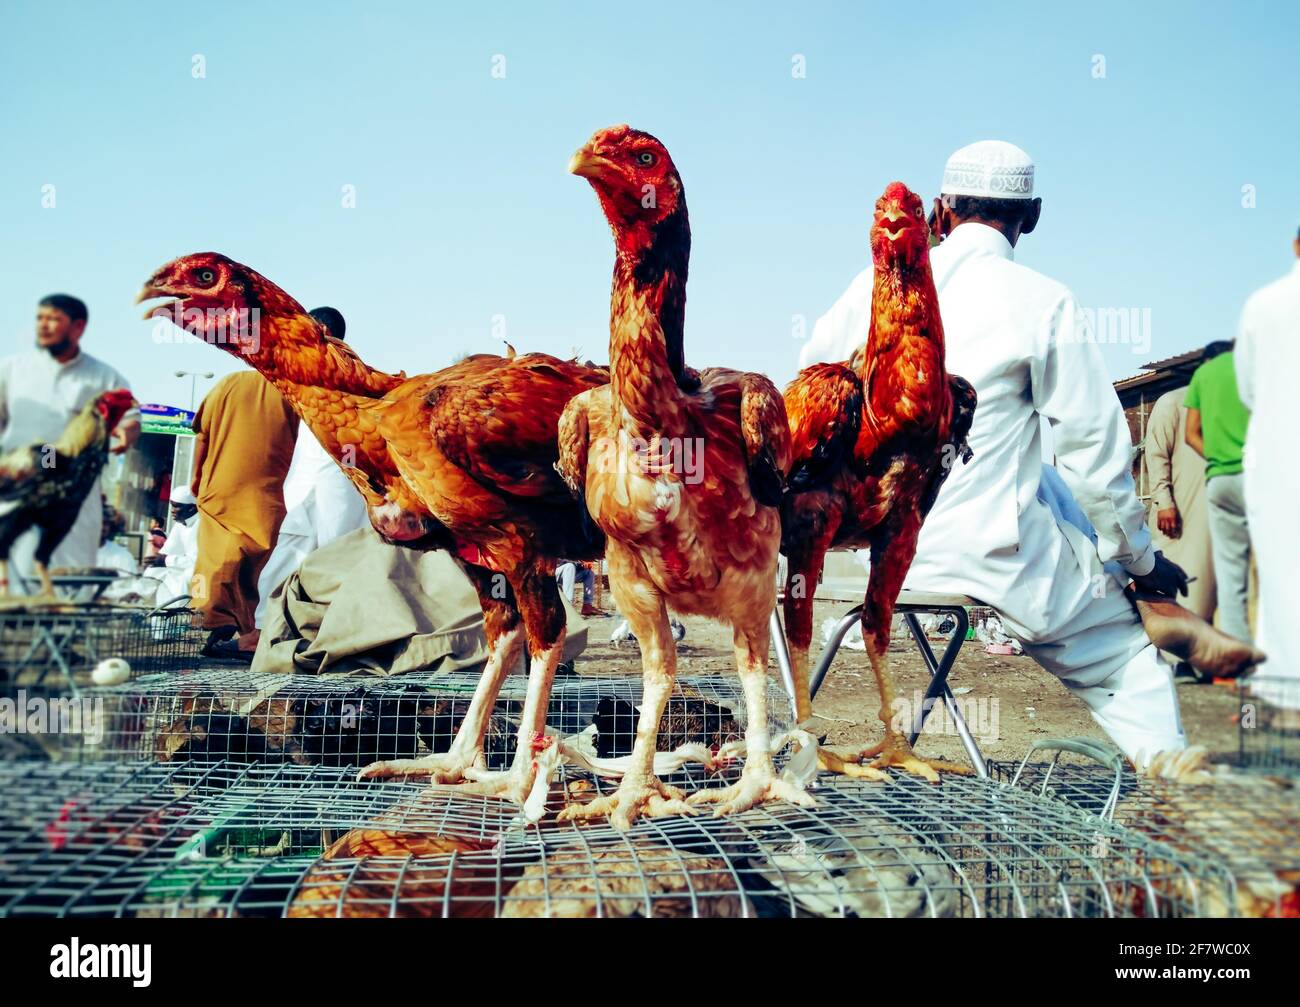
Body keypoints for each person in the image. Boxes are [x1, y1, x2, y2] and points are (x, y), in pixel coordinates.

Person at [801, 141, 1257, 765]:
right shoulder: (1041, 300)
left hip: (864, 551)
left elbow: (810, 396)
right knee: (1124, 656)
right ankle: (1167, 752)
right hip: (988, 558)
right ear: (1032, 216)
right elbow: (1095, 454)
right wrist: (1141, 559)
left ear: (940, 210)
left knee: (1043, 476)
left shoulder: (867, 288)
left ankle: (1139, 583)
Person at [0, 294, 139, 592]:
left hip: (71, 477)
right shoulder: (12, 368)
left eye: (53, 319)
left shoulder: (103, 376)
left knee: (67, 551)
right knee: (15, 543)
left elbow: (130, 415)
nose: (43, 326)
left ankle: (56, 612)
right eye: (40, 318)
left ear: (78, 327)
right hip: (24, 472)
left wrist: (127, 432)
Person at [250, 307, 369, 650]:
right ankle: (273, 630)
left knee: (330, 553)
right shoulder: (304, 368)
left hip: (333, 478)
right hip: (315, 481)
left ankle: (278, 634)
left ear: (322, 330)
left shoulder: (340, 371)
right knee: (304, 552)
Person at [1234, 225, 1300, 721]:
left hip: (1280, 456)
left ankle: (1286, 694)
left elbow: (1250, 388)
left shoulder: (1265, 304)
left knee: (1281, 574)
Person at [190, 370, 297, 658]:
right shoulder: (295, 388)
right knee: (260, 557)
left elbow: (202, 436)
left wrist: (196, 478)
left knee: (219, 554)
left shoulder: (229, 382)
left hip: (221, 483)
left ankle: (218, 618)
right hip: (272, 486)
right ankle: (248, 629)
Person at [1185, 341, 1253, 642]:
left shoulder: (1203, 374)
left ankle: (1240, 659)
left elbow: (1191, 434)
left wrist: (1217, 457)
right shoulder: (1255, 366)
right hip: (1258, 477)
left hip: (1220, 479)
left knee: (1230, 571)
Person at [1143, 385, 1216, 663]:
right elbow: (1156, 454)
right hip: (1176, 517)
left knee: (1207, 588)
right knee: (1176, 583)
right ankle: (1175, 658)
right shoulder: (1172, 403)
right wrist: (1165, 502)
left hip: (1213, 518)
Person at [143, 485, 200, 603]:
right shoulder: (179, 525)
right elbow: (166, 552)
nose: (172, 510)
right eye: (171, 505)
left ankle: (178, 615)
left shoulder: (201, 525)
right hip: (183, 566)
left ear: (191, 508)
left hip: (200, 573)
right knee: (153, 569)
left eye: (176, 506)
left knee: (187, 576)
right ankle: (138, 600)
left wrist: (167, 560)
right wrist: (155, 561)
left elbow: (198, 563)